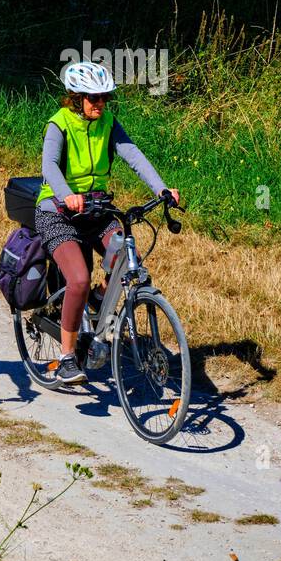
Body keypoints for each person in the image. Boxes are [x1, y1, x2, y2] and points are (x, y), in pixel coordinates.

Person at [35, 60, 179, 387]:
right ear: (76, 97)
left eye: (104, 98)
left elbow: (133, 155)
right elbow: (50, 167)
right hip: (58, 213)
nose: (100, 103)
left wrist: (161, 188)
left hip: (96, 211)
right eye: (93, 98)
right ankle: (68, 358)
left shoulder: (108, 122)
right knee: (79, 279)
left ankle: (100, 300)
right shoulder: (59, 124)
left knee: (128, 260)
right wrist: (67, 194)